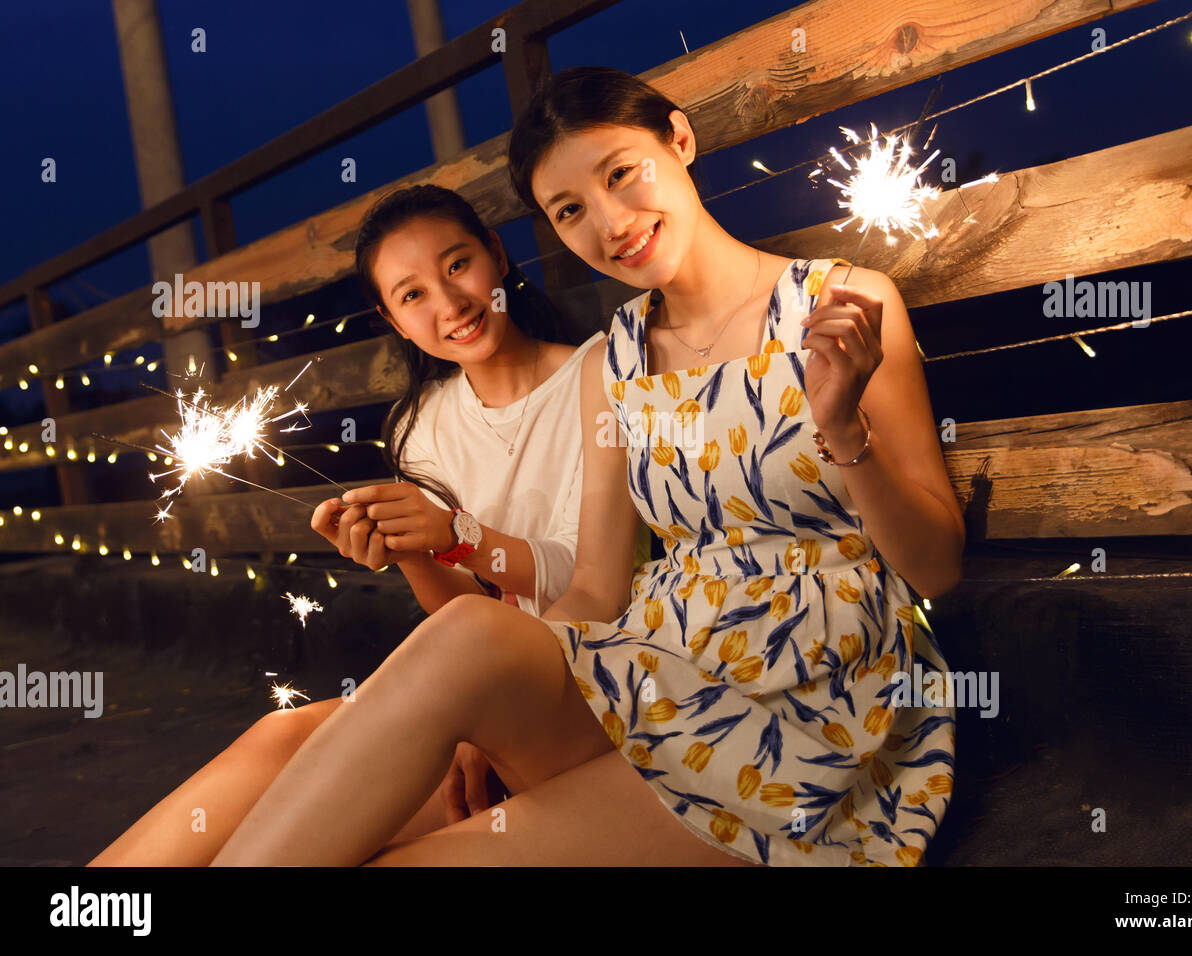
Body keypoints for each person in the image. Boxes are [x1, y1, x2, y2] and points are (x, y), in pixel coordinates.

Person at [208, 66, 966, 867]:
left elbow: (935, 567)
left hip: (817, 699)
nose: (611, 223)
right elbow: (598, 588)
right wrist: (484, 705)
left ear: (679, 140)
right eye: (571, 210)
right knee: (469, 634)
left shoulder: (841, 304)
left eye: (621, 174)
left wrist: (843, 429)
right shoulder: (620, 354)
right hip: (662, 668)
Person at [88, 184, 607, 866]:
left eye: (457, 265)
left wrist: (455, 534)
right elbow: (463, 611)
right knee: (282, 738)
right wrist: (412, 551)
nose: (450, 305)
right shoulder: (420, 425)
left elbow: (593, 580)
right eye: (412, 294)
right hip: (484, 685)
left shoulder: (596, 372)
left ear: (497, 254)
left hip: (587, 686)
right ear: (392, 319)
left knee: (333, 827)